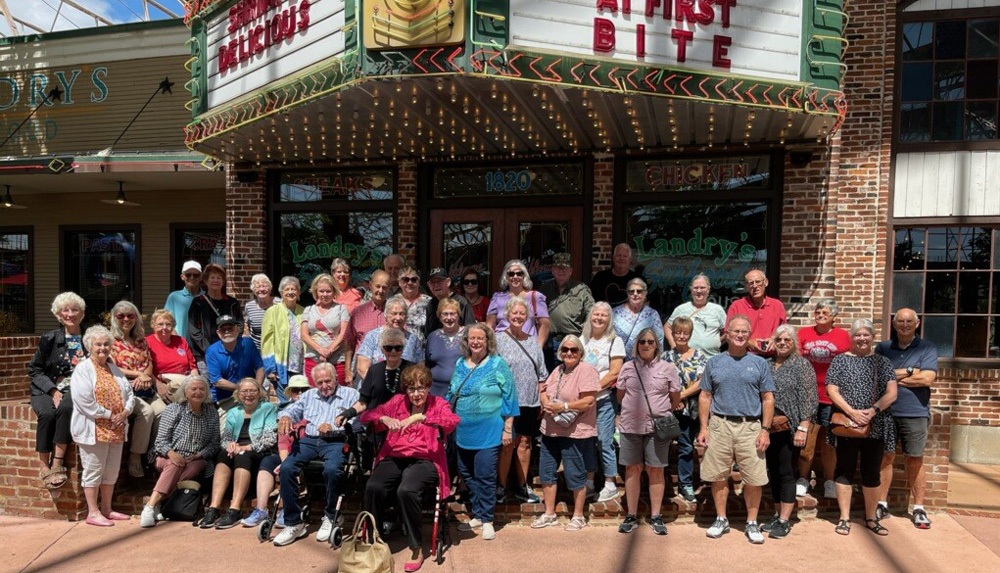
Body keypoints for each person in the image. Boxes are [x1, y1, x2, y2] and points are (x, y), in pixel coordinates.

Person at [361, 365, 459, 572]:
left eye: (421, 388)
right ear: (405, 390)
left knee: (406, 490)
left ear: (429, 388)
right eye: (411, 389)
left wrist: (422, 418)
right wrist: (383, 418)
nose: (416, 394)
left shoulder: (438, 404)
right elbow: (366, 416)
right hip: (394, 456)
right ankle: (375, 539)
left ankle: (416, 547)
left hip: (426, 459)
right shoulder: (397, 402)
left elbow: (452, 421)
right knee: (373, 487)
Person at [697, 314, 776, 544]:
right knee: (718, 475)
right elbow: (705, 396)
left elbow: (768, 398)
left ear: (748, 335)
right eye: (735, 331)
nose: (740, 335)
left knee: (754, 477)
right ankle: (721, 518)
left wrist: (765, 430)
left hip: (750, 426)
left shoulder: (759, 363)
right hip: (719, 424)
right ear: (727, 334)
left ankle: (751, 522)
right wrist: (704, 428)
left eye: (744, 332)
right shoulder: (714, 362)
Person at [273, 362, 361, 546]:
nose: (324, 386)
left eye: (327, 381)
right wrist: (286, 417)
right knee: (287, 467)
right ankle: (294, 522)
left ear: (335, 378)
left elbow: (360, 420)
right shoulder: (309, 395)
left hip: (336, 440)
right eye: (319, 382)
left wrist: (337, 425)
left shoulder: (351, 394)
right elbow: (292, 409)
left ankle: (331, 516)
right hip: (310, 440)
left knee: (332, 469)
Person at [826, 319, 898, 537]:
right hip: (846, 423)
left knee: (871, 472)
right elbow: (832, 390)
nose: (862, 338)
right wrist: (852, 412)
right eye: (858, 334)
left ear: (873, 337)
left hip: (875, 424)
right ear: (852, 337)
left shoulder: (882, 362)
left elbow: (892, 393)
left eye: (866, 334)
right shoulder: (839, 361)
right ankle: (844, 517)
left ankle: (870, 517)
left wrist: (872, 411)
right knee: (844, 469)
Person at [446, 323, 517, 541]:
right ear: (466, 342)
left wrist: (507, 428)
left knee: (485, 475)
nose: (476, 342)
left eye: (480, 338)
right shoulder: (460, 363)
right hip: (463, 430)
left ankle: (487, 520)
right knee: (467, 473)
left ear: (488, 342)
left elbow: (510, 397)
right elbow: (451, 393)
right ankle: (477, 513)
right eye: (472, 338)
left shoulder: (497, 364)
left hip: (489, 430)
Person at [876, 308, 938, 529]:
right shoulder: (883, 347)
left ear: (917, 323)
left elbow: (927, 379)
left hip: (915, 412)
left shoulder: (927, 347)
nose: (904, 325)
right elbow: (879, 376)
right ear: (894, 324)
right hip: (887, 411)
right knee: (886, 457)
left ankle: (919, 508)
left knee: (915, 459)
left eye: (909, 321)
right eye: (900, 321)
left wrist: (894, 376)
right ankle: (881, 503)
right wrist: (912, 371)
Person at [615, 328, 681, 535]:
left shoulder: (668, 368)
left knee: (656, 470)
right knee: (632, 469)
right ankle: (631, 515)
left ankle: (656, 516)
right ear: (637, 344)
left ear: (657, 345)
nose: (646, 345)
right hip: (630, 426)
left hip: (657, 427)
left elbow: (675, 398)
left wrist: (660, 410)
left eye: (650, 342)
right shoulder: (627, 367)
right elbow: (620, 396)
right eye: (642, 341)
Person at [531, 335, 599, 532]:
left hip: (575, 432)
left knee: (575, 473)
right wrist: (545, 402)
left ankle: (578, 516)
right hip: (551, 430)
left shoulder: (586, 371)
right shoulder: (557, 370)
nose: (569, 353)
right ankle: (549, 513)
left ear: (580, 353)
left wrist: (564, 406)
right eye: (565, 350)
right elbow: (543, 390)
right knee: (547, 472)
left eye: (573, 350)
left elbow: (588, 401)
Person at [70, 325, 135, 526]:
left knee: (111, 471)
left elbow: (129, 394)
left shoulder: (113, 368)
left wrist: (125, 412)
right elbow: (83, 400)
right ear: (89, 345)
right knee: (93, 470)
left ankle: (107, 509)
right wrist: (109, 414)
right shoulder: (83, 369)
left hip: (116, 429)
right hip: (94, 429)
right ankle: (93, 512)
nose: (102, 348)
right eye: (98, 344)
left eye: (106, 344)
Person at [140, 375, 221, 528]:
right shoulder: (174, 409)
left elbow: (214, 443)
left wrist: (200, 454)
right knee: (175, 465)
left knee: (195, 466)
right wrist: (172, 454)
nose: (198, 392)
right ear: (185, 391)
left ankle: (155, 503)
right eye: (194, 389)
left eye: (202, 389)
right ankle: (151, 507)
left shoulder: (212, 413)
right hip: (165, 455)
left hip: (196, 458)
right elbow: (161, 441)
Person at [760, 325, 817, 539]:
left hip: (790, 426)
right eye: (779, 339)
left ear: (794, 343)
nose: (783, 343)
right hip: (767, 426)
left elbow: (809, 398)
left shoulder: (802, 365)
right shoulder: (766, 364)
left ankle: (785, 519)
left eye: (787, 340)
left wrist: (803, 427)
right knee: (773, 471)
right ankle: (777, 514)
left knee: (786, 472)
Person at [200, 378, 278, 529]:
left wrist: (248, 447)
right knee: (223, 454)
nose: (248, 394)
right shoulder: (233, 412)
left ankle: (235, 509)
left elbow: (270, 439)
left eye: (252, 391)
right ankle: (213, 508)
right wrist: (230, 445)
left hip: (258, 451)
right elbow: (226, 437)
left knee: (243, 456)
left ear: (259, 393)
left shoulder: (268, 408)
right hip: (238, 450)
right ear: (238, 394)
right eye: (244, 391)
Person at [29, 292, 87, 489]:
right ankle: (44, 464)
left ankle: (58, 462)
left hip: (77, 390)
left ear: (82, 313)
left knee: (66, 408)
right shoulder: (50, 338)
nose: (70, 314)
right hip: (46, 388)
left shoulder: (90, 338)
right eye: (65, 310)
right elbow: (35, 370)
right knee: (46, 414)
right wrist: (53, 390)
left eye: (74, 309)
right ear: (59, 314)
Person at [495, 297, 548, 503]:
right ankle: (501, 486)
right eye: (514, 313)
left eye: (522, 313)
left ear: (527, 317)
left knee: (524, 443)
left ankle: (521, 486)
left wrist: (542, 398)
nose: (518, 316)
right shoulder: (498, 340)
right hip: (506, 402)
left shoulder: (533, 342)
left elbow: (542, 374)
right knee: (506, 444)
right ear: (507, 315)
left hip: (529, 401)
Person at [797, 299, 851, 499]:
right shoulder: (803, 333)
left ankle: (828, 480)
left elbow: (849, 361)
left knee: (830, 442)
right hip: (808, 395)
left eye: (825, 312)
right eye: (818, 311)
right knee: (806, 440)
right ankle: (802, 479)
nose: (821, 314)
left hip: (832, 397)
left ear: (834, 315)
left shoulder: (843, 336)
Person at [243, 374, 311, 529]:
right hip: (287, 453)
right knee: (267, 462)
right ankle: (261, 509)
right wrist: (285, 461)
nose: (299, 393)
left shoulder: (313, 412)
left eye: (304, 390)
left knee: (290, 467)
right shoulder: (284, 413)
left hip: (308, 454)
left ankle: (288, 509)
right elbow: (282, 443)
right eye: (295, 390)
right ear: (291, 393)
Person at [109, 300, 162, 478]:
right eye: (121, 316)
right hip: (125, 390)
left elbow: (149, 363)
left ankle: (154, 454)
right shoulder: (110, 341)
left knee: (165, 412)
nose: (126, 319)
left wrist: (146, 376)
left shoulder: (140, 340)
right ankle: (135, 456)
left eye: (130, 316)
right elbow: (113, 367)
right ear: (114, 318)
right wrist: (137, 375)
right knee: (146, 412)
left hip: (145, 387)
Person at [580, 301, 625, 503]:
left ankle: (610, 483)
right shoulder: (582, 340)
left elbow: (615, 371)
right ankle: (589, 482)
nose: (599, 318)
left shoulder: (614, 341)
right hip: (584, 401)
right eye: (596, 314)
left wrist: (592, 389)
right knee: (587, 441)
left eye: (603, 315)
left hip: (604, 399)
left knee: (604, 441)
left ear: (609, 320)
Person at [662, 316, 708, 502]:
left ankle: (686, 484)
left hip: (688, 409)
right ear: (672, 334)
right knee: (662, 446)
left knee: (686, 447)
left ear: (690, 334)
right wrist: (672, 398)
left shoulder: (699, 356)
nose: (681, 335)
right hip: (666, 410)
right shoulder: (665, 357)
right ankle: (662, 482)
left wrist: (681, 395)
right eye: (678, 332)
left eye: (685, 332)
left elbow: (701, 382)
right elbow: (658, 381)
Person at [539, 253, 595, 371]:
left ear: (570, 271)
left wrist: (585, 335)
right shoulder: (545, 289)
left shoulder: (581, 289)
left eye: (564, 268)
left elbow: (591, 313)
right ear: (553, 270)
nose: (561, 271)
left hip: (573, 341)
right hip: (550, 342)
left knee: (572, 375)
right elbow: (537, 314)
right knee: (552, 375)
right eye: (558, 268)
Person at [205, 315, 265, 414]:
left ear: (237, 330)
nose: (227, 332)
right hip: (225, 398)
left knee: (265, 417)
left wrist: (256, 388)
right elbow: (217, 381)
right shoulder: (212, 351)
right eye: (223, 329)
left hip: (251, 395)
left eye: (230, 328)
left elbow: (260, 367)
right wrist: (244, 389)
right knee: (226, 428)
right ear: (218, 333)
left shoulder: (248, 344)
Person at [188, 263, 242, 372]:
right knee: (208, 385)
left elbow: (239, 325)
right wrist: (211, 350)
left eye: (219, 278)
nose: (216, 280)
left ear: (223, 281)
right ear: (206, 281)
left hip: (230, 353)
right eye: (212, 277)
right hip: (205, 355)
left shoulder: (232, 303)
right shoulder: (198, 303)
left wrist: (230, 346)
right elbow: (194, 331)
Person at [356, 295, 423, 380]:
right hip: (376, 387)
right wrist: (377, 385)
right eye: (394, 313)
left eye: (402, 314)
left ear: (406, 316)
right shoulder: (372, 336)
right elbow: (362, 368)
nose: (398, 318)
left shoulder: (413, 339)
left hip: (405, 389)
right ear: (386, 314)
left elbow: (420, 367)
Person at [486, 259, 550, 346]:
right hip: (502, 346)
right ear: (506, 277)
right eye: (511, 274)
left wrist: (538, 347)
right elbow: (490, 325)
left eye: (519, 273)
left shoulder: (535, 297)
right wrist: (492, 346)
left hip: (528, 346)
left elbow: (545, 325)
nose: (515, 277)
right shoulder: (497, 298)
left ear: (524, 276)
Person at [262, 276, 305, 404]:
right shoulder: (272, 311)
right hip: (281, 366)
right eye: (287, 289)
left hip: (299, 365)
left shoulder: (304, 311)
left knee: (300, 401)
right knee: (285, 402)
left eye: (294, 289)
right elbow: (267, 342)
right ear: (281, 293)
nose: (290, 292)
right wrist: (270, 368)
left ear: (299, 292)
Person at [301, 273, 350, 385]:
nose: (325, 294)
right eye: (321, 291)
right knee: (315, 394)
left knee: (338, 393)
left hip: (337, 360)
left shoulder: (341, 309)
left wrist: (329, 351)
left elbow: (344, 333)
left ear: (334, 291)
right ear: (316, 292)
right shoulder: (308, 310)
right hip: (313, 359)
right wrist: (321, 350)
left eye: (328, 291)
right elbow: (304, 335)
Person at [726, 269, 787, 356]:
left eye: (758, 282)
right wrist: (748, 342)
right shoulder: (736, 306)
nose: (755, 286)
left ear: (765, 282)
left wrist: (775, 340)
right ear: (747, 286)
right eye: (751, 283)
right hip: (745, 357)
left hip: (772, 357)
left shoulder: (777, 305)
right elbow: (728, 335)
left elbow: (785, 332)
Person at [344, 270, 390, 383]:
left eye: (384, 287)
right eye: (377, 286)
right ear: (370, 285)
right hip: (362, 371)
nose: (380, 291)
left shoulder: (394, 313)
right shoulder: (358, 312)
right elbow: (349, 342)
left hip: (389, 369)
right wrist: (347, 369)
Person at [356, 328, 415, 416]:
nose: (393, 351)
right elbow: (363, 402)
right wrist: (347, 414)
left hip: (404, 421)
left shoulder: (413, 369)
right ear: (382, 349)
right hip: (378, 421)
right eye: (388, 348)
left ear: (403, 349)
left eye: (398, 348)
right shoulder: (374, 370)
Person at [664, 273, 727, 355]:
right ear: (691, 289)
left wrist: (716, 343)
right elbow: (667, 327)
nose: (699, 290)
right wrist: (674, 345)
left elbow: (728, 331)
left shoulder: (717, 310)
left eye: (702, 287)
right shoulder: (681, 309)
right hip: (687, 360)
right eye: (696, 288)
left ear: (708, 289)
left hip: (711, 358)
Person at [146, 309, 198, 405]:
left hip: (185, 384)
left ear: (173, 326)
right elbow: (146, 369)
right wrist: (158, 385)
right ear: (153, 325)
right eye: (160, 324)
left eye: (168, 324)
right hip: (162, 386)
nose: (164, 327)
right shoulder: (147, 343)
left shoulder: (181, 341)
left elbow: (193, 367)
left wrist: (195, 386)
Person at [613, 277, 664, 359]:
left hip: (644, 363)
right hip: (619, 361)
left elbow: (659, 341)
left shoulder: (652, 314)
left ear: (645, 294)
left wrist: (657, 363)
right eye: (631, 291)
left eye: (639, 291)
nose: (635, 294)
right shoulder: (615, 313)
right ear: (627, 294)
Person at [424, 298, 466, 398]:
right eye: (445, 314)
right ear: (439, 316)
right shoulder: (432, 337)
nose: (449, 317)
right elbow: (427, 364)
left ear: (458, 315)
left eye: (453, 313)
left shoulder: (468, 334)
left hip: (463, 392)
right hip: (437, 392)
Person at [423, 267, 477, 336]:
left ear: (448, 282)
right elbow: (427, 334)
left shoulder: (462, 302)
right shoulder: (430, 305)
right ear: (428, 285)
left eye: (439, 281)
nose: (436, 285)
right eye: (432, 282)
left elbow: (471, 330)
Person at [590, 243, 640, 307]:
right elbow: (592, 302)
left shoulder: (637, 280)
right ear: (613, 258)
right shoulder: (600, 277)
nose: (621, 258)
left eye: (625, 256)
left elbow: (644, 304)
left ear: (630, 260)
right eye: (619, 255)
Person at [164, 260, 203, 342]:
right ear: (182, 276)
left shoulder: (206, 297)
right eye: (188, 275)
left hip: (203, 347)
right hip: (180, 345)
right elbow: (167, 321)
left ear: (201, 277)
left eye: (196, 275)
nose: (192, 277)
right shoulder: (174, 297)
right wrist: (179, 343)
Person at [399, 266, 433, 341]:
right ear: (399, 283)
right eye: (406, 279)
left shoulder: (429, 302)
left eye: (414, 279)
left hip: (422, 349)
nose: (410, 282)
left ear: (419, 282)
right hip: (398, 348)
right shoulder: (392, 302)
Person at [244, 273, 275, 350]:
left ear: (270, 289)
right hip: (256, 350)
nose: (261, 289)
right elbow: (246, 326)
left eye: (264, 286)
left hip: (275, 350)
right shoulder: (249, 306)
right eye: (257, 287)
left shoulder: (279, 303)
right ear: (253, 290)